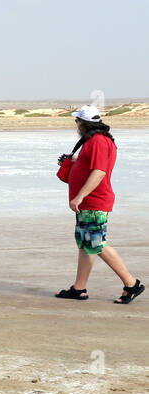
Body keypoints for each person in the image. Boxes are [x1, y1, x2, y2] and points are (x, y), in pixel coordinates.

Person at [55, 105, 143, 303]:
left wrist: (79, 197)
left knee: (96, 243)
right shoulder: (93, 141)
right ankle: (79, 289)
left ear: (82, 123)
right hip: (89, 202)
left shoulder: (98, 141)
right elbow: (91, 166)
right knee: (86, 244)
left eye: (77, 121)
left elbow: (99, 171)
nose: (76, 125)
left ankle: (131, 284)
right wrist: (74, 162)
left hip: (94, 201)